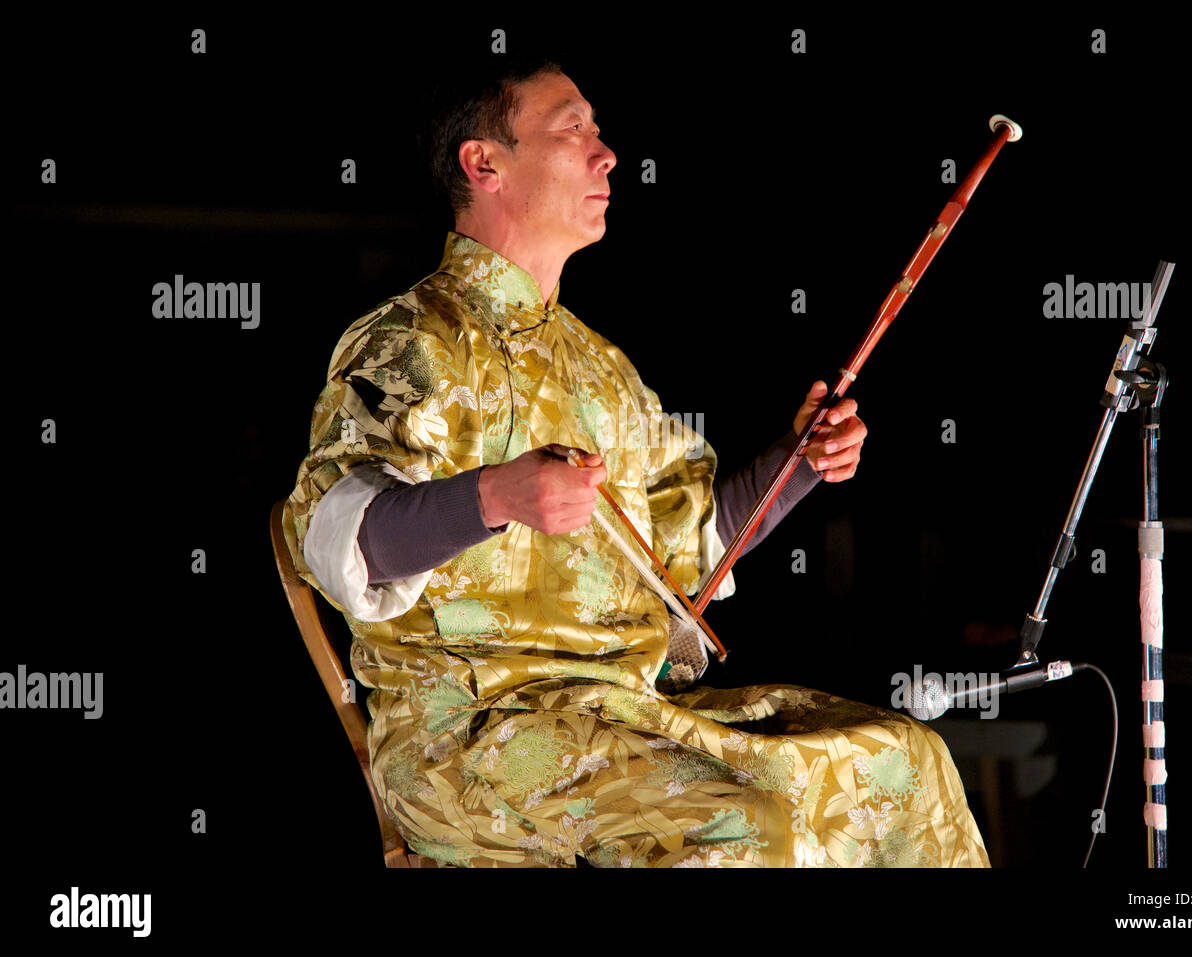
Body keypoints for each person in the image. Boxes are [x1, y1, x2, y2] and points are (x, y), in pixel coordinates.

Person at [283, 57, 989, 867]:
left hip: (620, 710)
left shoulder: (600, 368)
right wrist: (495, 495)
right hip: (473, 738)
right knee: (740, 820)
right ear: (484, 164)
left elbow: (679, 554)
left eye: (598, 127)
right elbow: (345, 539)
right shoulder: (409, 340)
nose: (606, 151)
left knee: (907, 761)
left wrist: (795, 468)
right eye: (571, 128)